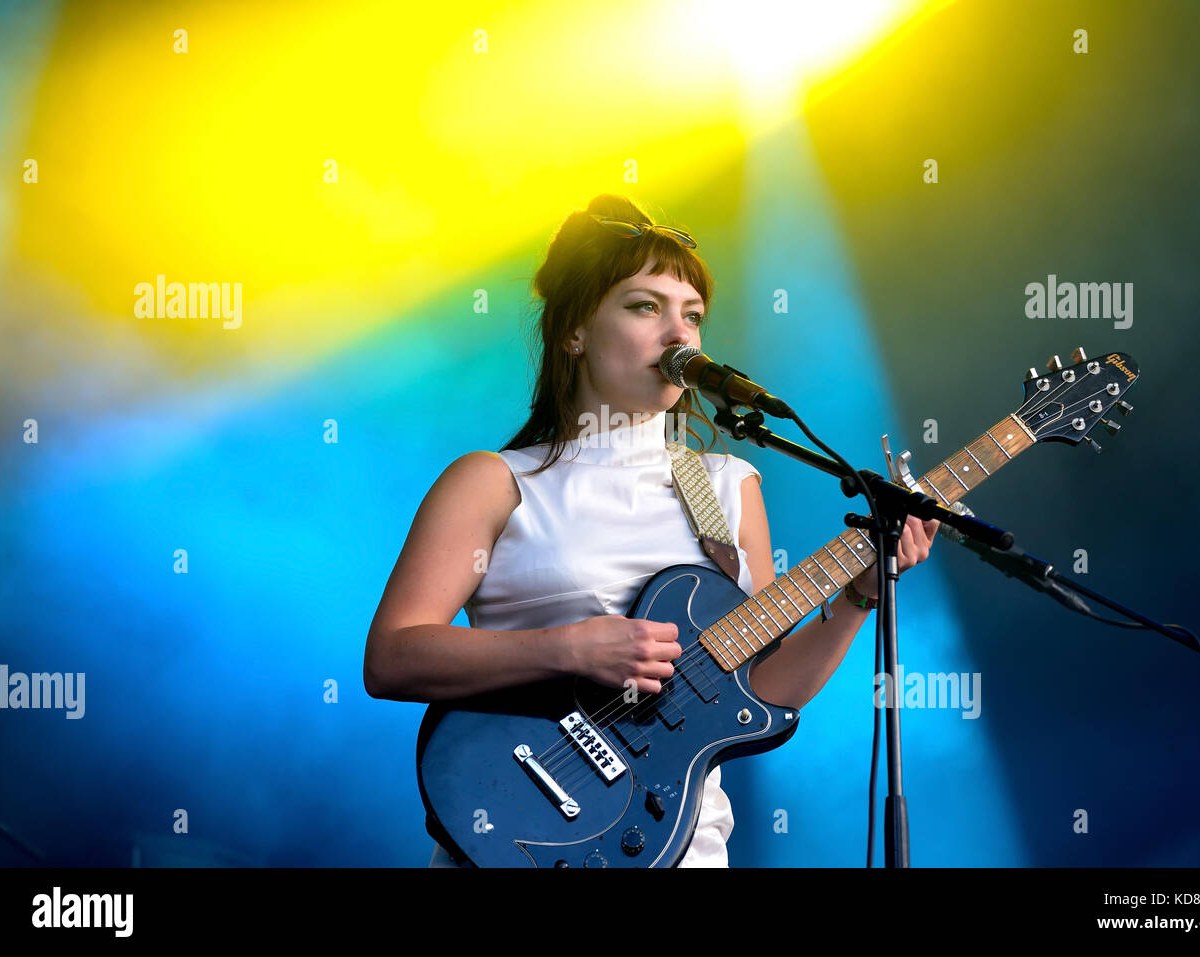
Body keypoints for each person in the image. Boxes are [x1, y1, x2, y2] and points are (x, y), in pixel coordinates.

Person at [363, 194, 939, 867]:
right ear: (575, 328)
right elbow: (392, 657)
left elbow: (761, 692)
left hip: (680, 847)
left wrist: (858, 596)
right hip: (516, 832)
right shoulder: (493, 481)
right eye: (646, 306)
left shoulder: (726, 485)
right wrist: (572, 647)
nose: (680, 335)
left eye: (692, 315)